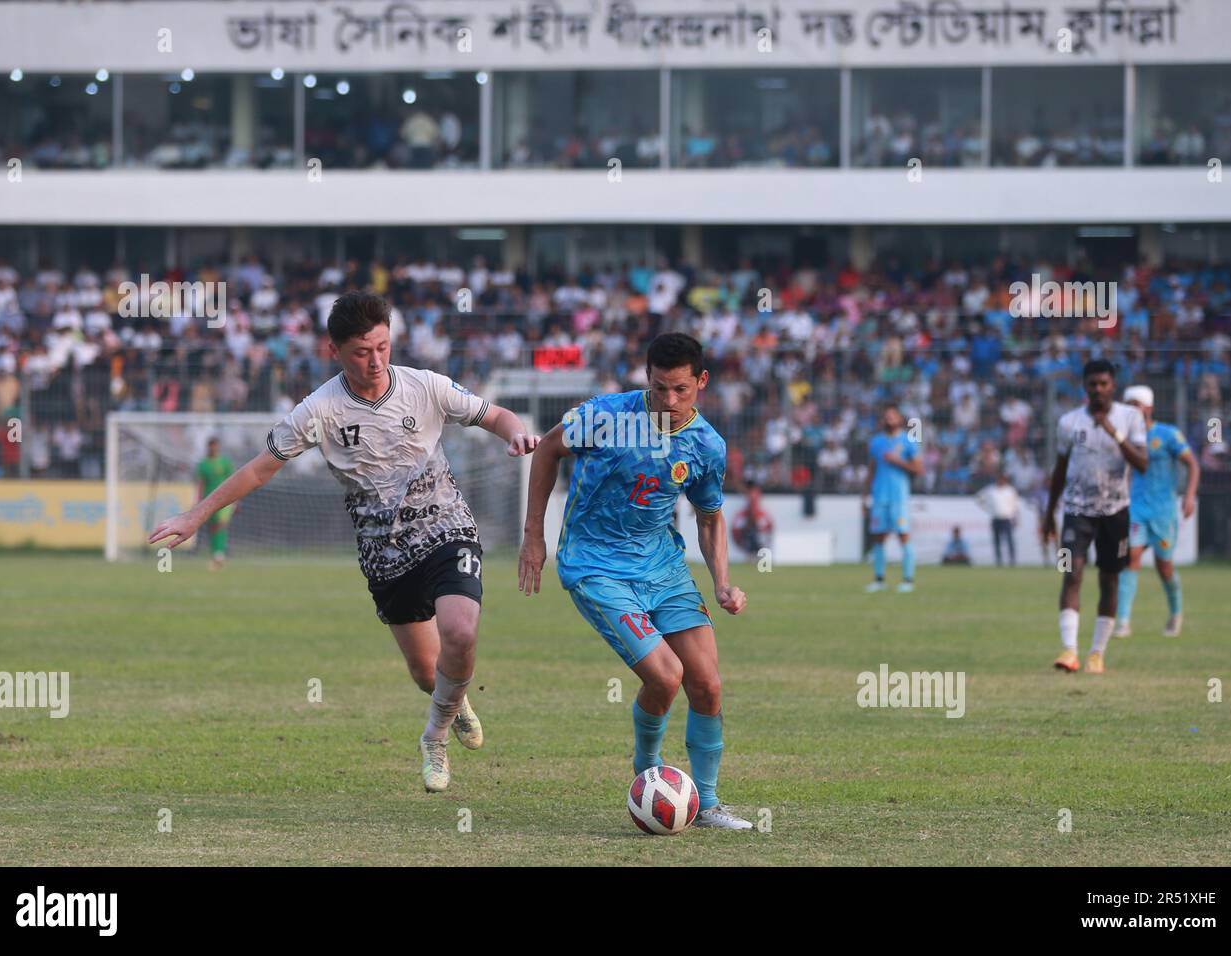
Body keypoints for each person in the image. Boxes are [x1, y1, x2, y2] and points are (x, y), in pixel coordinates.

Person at [149, 291, 540, 793]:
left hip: (447, 530)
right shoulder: (319, 410)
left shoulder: (427, 386)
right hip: (385, 555)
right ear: (333, 350)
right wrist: (197, 514)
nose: (376, 360)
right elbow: (259, 469)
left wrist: (516, 433)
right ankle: (453, 700)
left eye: (383, 346)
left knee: (460, 633)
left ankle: (434, 737)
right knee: (427, 672)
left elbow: (494, 414)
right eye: (361, 351)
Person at [517, 332, 753, 830]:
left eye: (681, 390)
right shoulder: (604, 416)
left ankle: (707, 804)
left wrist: (723, 583)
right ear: (647, 377)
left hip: (662, 568)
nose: (669, 401)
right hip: (595, 565)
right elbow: (547, 452)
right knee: (666, 677)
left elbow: (709, 517)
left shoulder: (707, 445)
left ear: (701, 382)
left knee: (707, 684)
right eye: (660, 388)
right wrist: (533, 536)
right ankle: (648, 775)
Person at [1042, 360, 1148, 675]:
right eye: (1092, 384)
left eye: (1103, 384)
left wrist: (1113, 433)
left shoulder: (1130, 418)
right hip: (1076, 511)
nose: (1098, 390)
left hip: (1116, 512)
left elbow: (1142, 463)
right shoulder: (1068, 423)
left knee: (1109, 579)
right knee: (1070, 573)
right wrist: (1049, 515)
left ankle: (1097, 653)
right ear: (1084, 387)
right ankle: (1069, 650)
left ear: (1112, 385)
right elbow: (1059, 470)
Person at [1115, 385, 1200, 638]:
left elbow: (1192, 464)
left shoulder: (1167, 434)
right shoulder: (1126, 439)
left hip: (1163, 513)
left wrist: (1189, 496)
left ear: (1148, 407)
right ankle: (1123, 621)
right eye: (1127, 405)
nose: (1131, 410)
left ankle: (1175, 613)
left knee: (1164, 567)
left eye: (1135, 405)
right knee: (1131, 558)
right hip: (1137, 510)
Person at [864, 405, 924, 592]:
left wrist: (897, 461)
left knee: (903, 535)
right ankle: (879, 580)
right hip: (880, 496)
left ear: (899, 419)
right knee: (879, 537)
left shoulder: (908, 441)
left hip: (898, 496)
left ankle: (908, 580)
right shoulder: (876, 442)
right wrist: (865, 495)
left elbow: (918, 469)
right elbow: (872, 469)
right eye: (886, 416)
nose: (889, 419)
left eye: (892, 416)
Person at [195, 437, 236, 570]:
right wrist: (198, 501)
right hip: (208, 499)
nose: (213, 448)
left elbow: (234, 480)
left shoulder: (225, 462)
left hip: (226, 499)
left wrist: (236, 499)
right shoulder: (203, 464)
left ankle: (219, 554)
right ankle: (215, 555)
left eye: (215, 446)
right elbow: (200, 484)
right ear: (209, 447)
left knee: (220, 525)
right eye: (211, 446)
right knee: (212, 528)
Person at [975, 472, 1020, 566]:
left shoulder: (1010, 490)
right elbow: (979, 498)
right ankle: (999, 561)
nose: (1001, 481)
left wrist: (1015, 517)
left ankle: (1012, 560)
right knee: (997, 541)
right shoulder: (991, 489)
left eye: (1003, 479)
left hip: (1007, 518)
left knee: (1009, 540)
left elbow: (1015, 505)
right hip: (996, 518)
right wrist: (988, 508)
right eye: (1000, 479)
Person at [730, 481, 774, 558]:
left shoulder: (751, 494)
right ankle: (757, 554)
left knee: (751, 537)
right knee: (754, 537)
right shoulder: (756, 493)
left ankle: (753, 554)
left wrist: (750, 521)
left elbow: (752, 509)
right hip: (755, 519)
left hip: (753, 519)